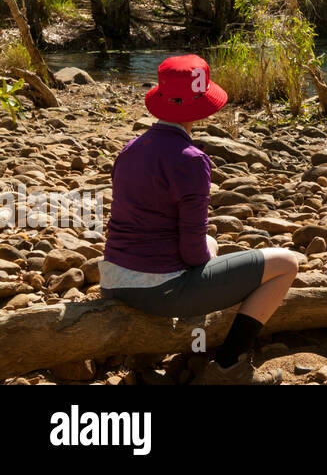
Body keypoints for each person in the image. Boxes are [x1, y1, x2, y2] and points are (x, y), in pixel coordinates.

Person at [101, 54, 300, 384]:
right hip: (159, 291)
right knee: (286, 263)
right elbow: (193, 253)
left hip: (114, 281)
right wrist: (209, 260)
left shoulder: (131, 148)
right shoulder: (191, 160)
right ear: (200, 106)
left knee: (211, 242)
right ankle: (229, 368)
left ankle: (187, 350)